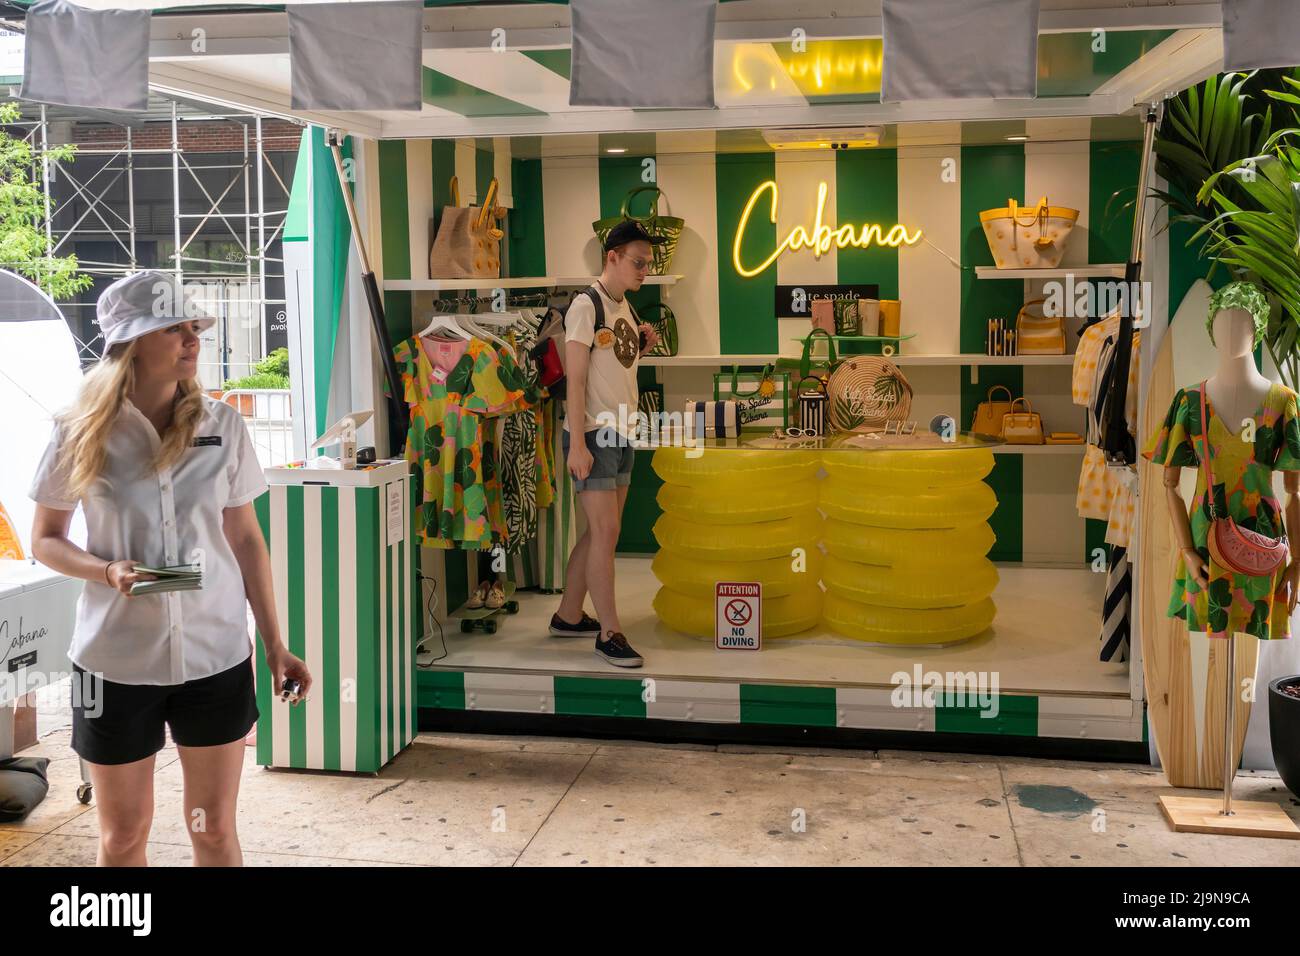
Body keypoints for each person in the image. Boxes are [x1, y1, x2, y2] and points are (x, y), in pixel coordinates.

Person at [28, 270, 311, 867]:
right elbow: (47, 542)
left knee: (210, 830)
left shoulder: (222, 425)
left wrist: (276, 644)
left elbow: (245, 539)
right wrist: (108, 571)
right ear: (130, 342)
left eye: (194, 327)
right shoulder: (77, 430)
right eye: (173, 328)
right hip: (113, 663)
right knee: (124, 835)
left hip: (215, 656)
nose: (193, 339)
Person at [550, 221, 662, 666]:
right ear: (611, 257)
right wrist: (578, 444)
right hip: (594, 434)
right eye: (638, 262)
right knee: (607, 532)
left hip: (621, 431)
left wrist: (644, 346)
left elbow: (614, 368)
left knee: (599, 533)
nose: (644, 271)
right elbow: (575, 381)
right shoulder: (585, 304)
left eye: (649, 264)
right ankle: (609, 633)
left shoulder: (624, 307)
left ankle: (568, 615)